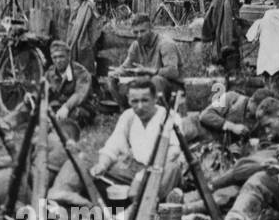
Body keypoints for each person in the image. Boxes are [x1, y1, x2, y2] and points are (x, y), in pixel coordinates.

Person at [49, 79, 183, 208]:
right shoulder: (129, 116)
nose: (140, 106)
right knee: (82, 158)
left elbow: (173, 154)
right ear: (129, 101)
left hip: (157, 170)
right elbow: (113, 146)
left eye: (145, 100)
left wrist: (143, 174)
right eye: (135, 101)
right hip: (132, 169)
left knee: (172, 168)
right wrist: (103, 164)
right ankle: (62, 192)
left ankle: (147, 202)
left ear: (155, 100)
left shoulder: (169, 117)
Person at [117, 13, 182, 103]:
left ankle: (159, 111)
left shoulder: (165, 44)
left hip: (172, 86)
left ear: (151, 29)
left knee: (156, 80)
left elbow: (173, 72)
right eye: (136, 32)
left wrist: (149, 70)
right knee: (114, 79)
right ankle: (126, 109)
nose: (139, 35)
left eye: (143, 31)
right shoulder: (136, 45)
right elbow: (125, 67)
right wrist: (116, 73)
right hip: (148, 83)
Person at [44, 40, 95, 132]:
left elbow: (80, 94)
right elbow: (44, 91)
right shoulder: (50, 73)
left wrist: (66, 107)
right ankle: (55, 122)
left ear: (69, 56)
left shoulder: (81, 72)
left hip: (81, 106)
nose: (58, 60)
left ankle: (57, 123)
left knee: (76, 115)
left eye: (61, 56)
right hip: (59, 105)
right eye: (54, 57)